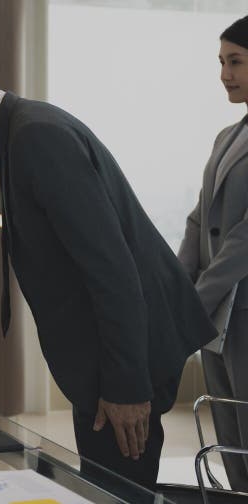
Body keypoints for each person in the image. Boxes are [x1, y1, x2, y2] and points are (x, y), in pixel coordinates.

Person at [0, 52, 215, 489]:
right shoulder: (18, 133)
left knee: (116, 492)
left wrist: (125, 388)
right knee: (104, 487)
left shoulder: (36, 136)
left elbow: (110, 268)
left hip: (126, 359)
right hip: (109, 355)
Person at [178, 15, 248, 492]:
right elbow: (200, 221)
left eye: (237, 61)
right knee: (230, 443)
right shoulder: (227, 137)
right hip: (217, 320)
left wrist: (196, 300)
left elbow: (244, 238)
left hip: (239, 312)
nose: (225, 73)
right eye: (222, 62)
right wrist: (177, 290)